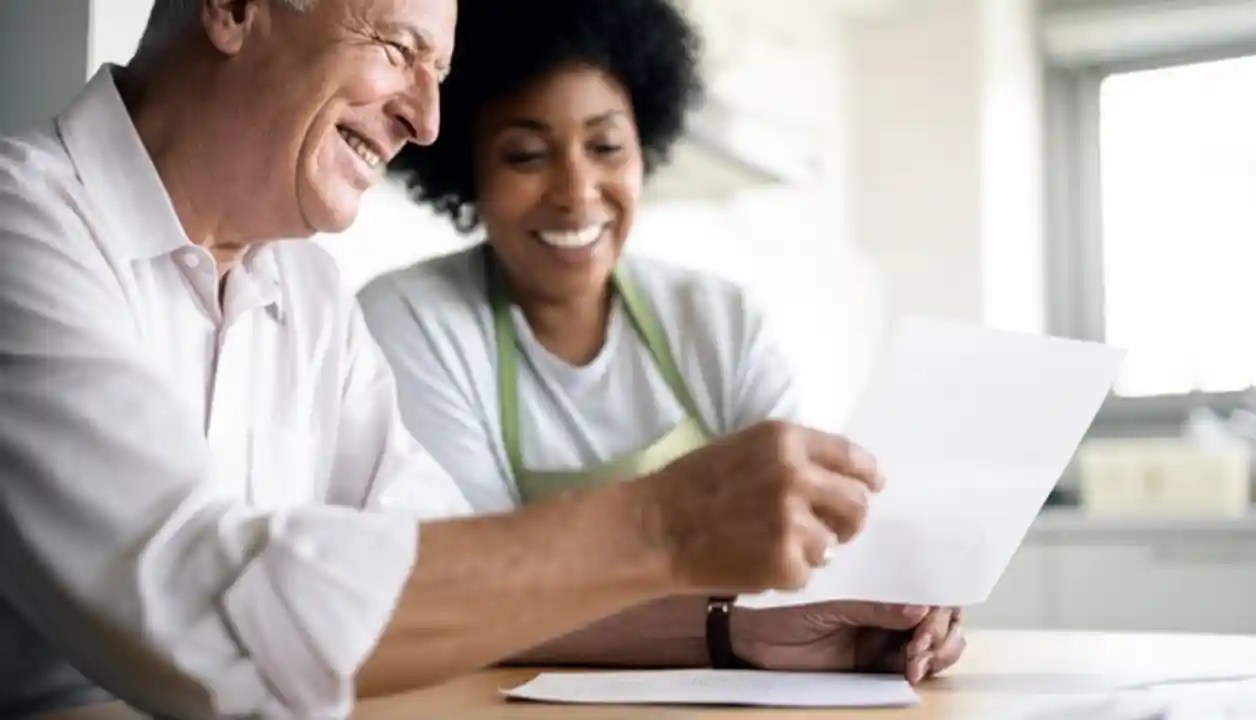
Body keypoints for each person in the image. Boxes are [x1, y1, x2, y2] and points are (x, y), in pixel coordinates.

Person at [0, 0, 893, 717]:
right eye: (397, 48)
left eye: (440, 76)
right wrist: (663, 529)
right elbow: (201, 616)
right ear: (235, 9)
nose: (426, 121)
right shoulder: (22, 229)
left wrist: (742, 635)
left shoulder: (304, 291)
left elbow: (448, 582)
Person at [359, 0, 965, 682]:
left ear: (646, 146)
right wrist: (732, 624)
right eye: (526, 155)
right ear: (469, 174)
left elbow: (807, 543)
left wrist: (882, 607)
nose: (577, 192)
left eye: (607, 146)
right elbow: (466, 598)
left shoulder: (718, 319)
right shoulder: (409, 321)